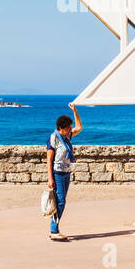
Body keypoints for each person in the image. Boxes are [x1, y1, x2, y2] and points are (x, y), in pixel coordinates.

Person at [45, 102, 82, 240]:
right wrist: (50, 178)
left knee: (62, 200)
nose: (70, 129)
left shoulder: (67, 137)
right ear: (61, 128)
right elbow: (49, 159)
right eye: (68, 127)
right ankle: (53, 230)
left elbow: (79, 127)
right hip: (57, 173)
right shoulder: (54, 138)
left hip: (66, 172)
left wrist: (75, 111)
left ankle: (54, 229)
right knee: (60, 201)